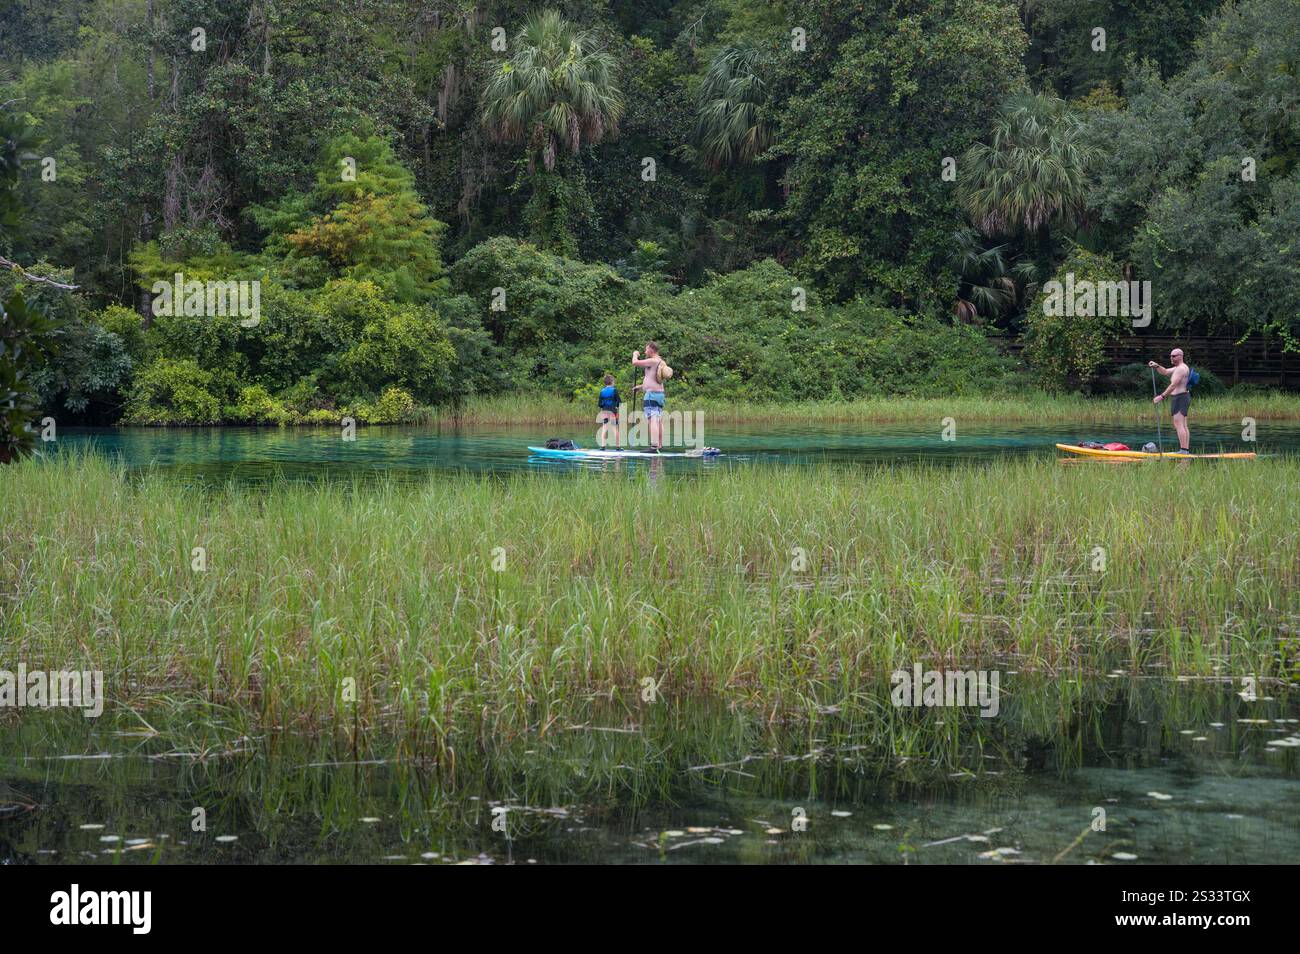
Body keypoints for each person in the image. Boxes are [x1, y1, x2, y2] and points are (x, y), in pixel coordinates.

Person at [1149, 348, 1191, 454]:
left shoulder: (1181, 369)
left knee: (1179, 424)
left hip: (1180, 397)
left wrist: (1161, 396)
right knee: (1183, 424)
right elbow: (1166, 372)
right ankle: (1185, 450)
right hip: (1182, 397)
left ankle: (1183, 450)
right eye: (1171, 356)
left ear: (1181, 356)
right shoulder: (1178, 368)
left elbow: (1173, 385)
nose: (1171, 358)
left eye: (1174, 356)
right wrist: (1157, 366)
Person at [632, 341, 672, 452]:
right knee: (658, 420)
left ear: (651, 350)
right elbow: (653, 379)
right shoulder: (660, 362)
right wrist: (640, 387)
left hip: (651, 396)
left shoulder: (653, 361)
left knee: (652, 420)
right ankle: (659, 445)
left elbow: (635, 363)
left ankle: (653, 446)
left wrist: (635, 354)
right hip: (659, 395)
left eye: (646, 349)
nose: (645, 351)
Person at [596, 374, 621, 449]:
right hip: (613, 411)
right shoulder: (614, 390)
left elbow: (599, 404)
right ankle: (617, 447)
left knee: (604, 428)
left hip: (604, 411)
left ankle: (603, 446)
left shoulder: (602, 391)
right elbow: (619, 401)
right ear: (612, 382)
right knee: (614, 428)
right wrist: (616, 406)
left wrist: (603, 407)